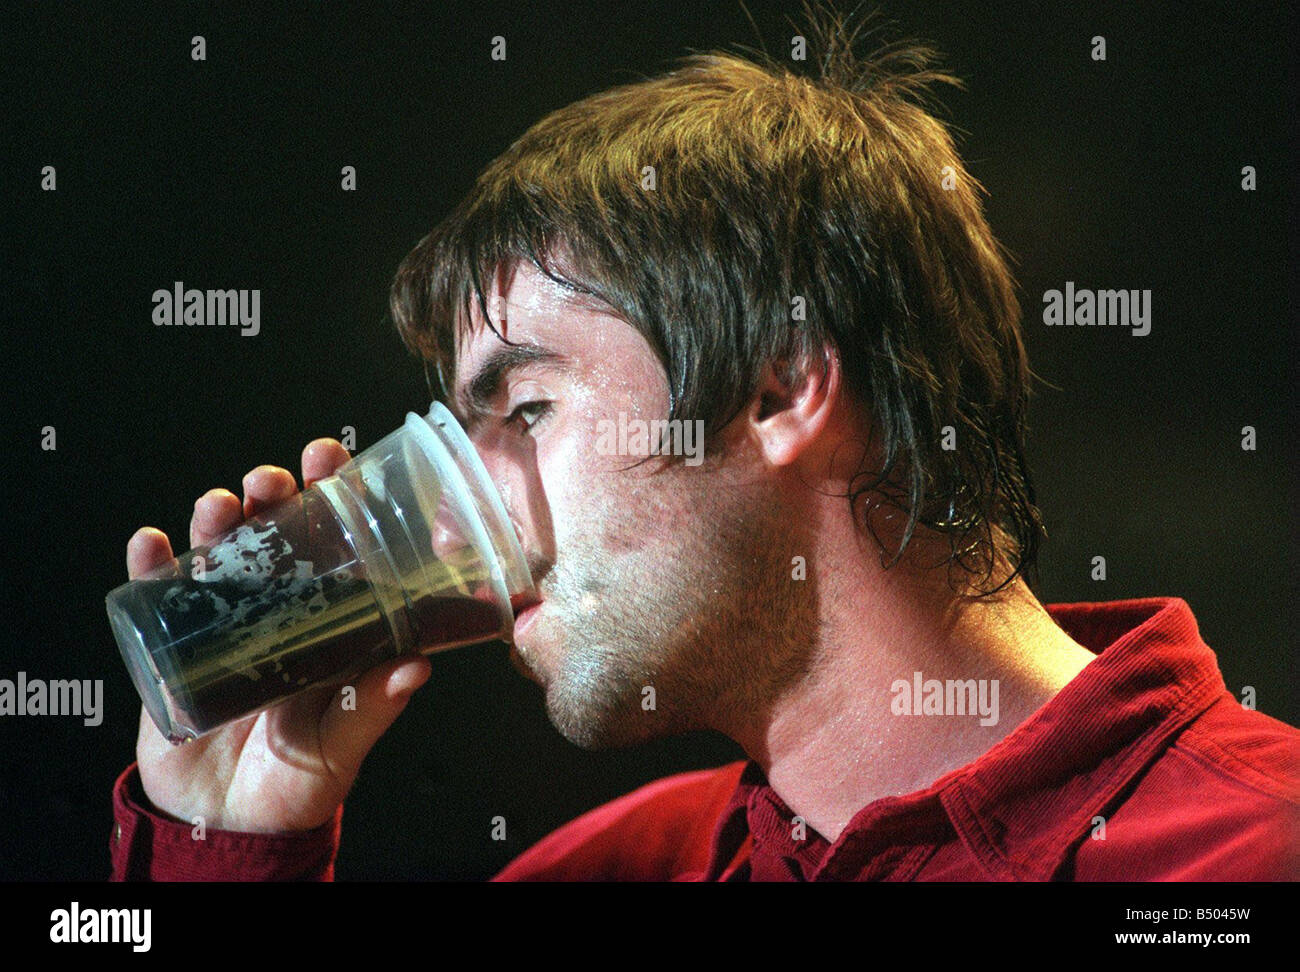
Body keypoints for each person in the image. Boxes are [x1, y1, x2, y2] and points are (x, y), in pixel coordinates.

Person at [108, 16, 1299, 882]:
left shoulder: (1246, 854)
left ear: (781, 387)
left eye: (525, 411)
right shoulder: (612, 870)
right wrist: (232, 840)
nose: (456, 516)